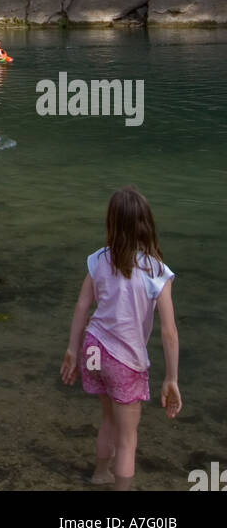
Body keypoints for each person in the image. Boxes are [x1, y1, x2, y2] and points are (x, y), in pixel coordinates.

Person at [60, 187, 181, 490]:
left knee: (108, 420)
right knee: (128, 440)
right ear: (147, 223)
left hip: (94, 349)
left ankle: (100, 473)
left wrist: (73, 350)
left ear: (111, 223)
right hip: (124, 359)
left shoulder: (99, 260)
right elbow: (169, 331)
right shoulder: (156, 271)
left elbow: (82, 306)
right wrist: (171, 378)